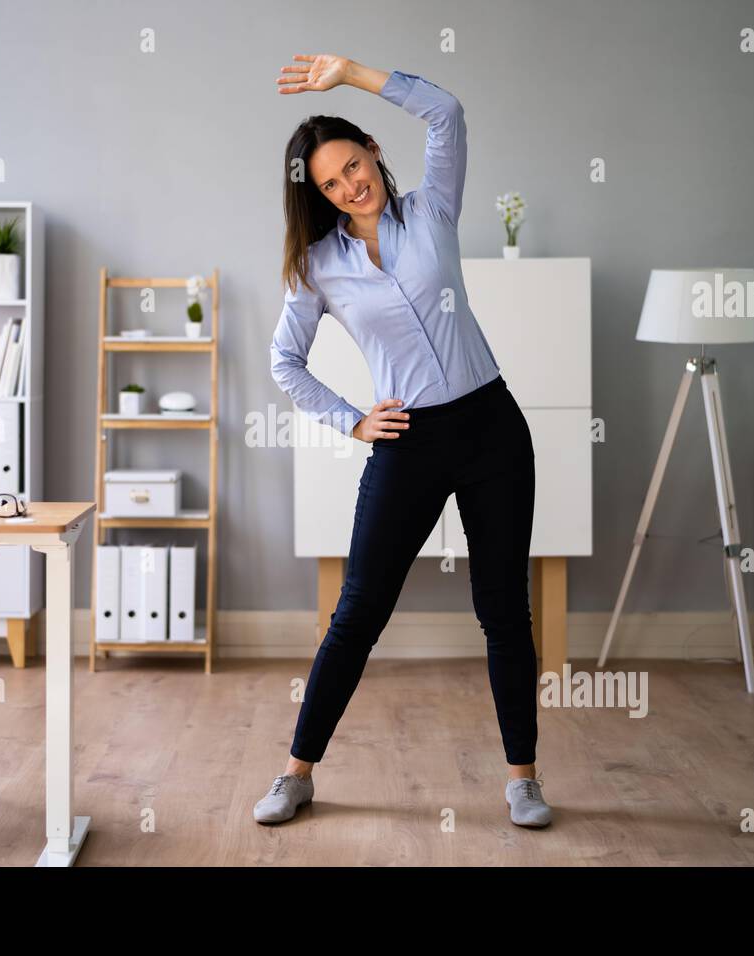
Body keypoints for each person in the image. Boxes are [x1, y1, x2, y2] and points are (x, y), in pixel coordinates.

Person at [256, 54, 551, 828]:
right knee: (357, 614)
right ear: (316, 196)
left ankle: (522, 778)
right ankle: (296, 772)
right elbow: (283, 363)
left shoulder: (432, 212)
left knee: (503, 610)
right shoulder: (316, 267)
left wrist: (350, 73)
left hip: (491, 428)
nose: (350, 185)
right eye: (330, 183)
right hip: (410, 441)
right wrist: (352, 419)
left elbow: (447, 112)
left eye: (354, 165)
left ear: (374, 154)